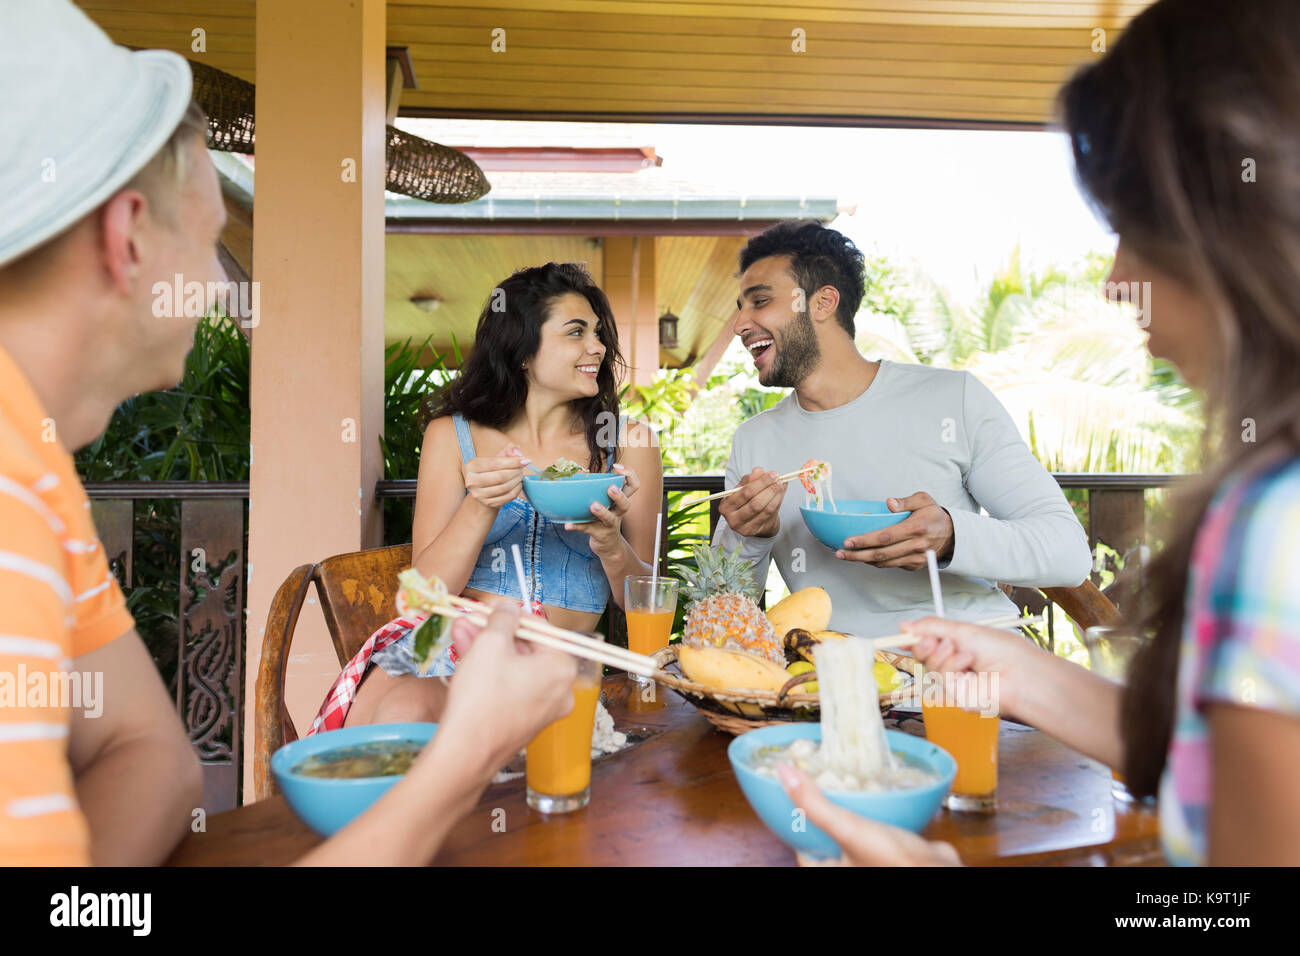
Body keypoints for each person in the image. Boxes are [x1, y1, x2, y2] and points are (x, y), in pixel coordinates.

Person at [0, 0, 576, 866]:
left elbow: (153, 761)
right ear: (127, 240)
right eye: (208, 243)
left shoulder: (33, 467)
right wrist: (464, 757)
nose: (220, 286)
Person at [783, 0, 1300, 867]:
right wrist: (1015, 671)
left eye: (1131, 230)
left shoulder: (1273, 523)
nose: (1113, 279)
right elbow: (1205, 768)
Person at [313, 262, 662, 731]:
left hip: (558, 671)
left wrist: (610, 544)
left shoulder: (629, 444)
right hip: (446, 653)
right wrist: (481, 505)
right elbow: (425, 595)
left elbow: (644, 599)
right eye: (576, 333)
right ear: (522, 350)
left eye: (598, 333)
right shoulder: (451, 436)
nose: (597, 347)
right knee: (402, 712)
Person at [713, 220, 1091, 636]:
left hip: (971, 666)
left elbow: (1068, 553)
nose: (739, 324)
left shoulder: (954, 399)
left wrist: (950, 536)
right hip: (833, 675)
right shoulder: (754, 442)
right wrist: (748, 538)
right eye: (739, 307)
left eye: (760, 301)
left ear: (822, 303)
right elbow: (725, 612)